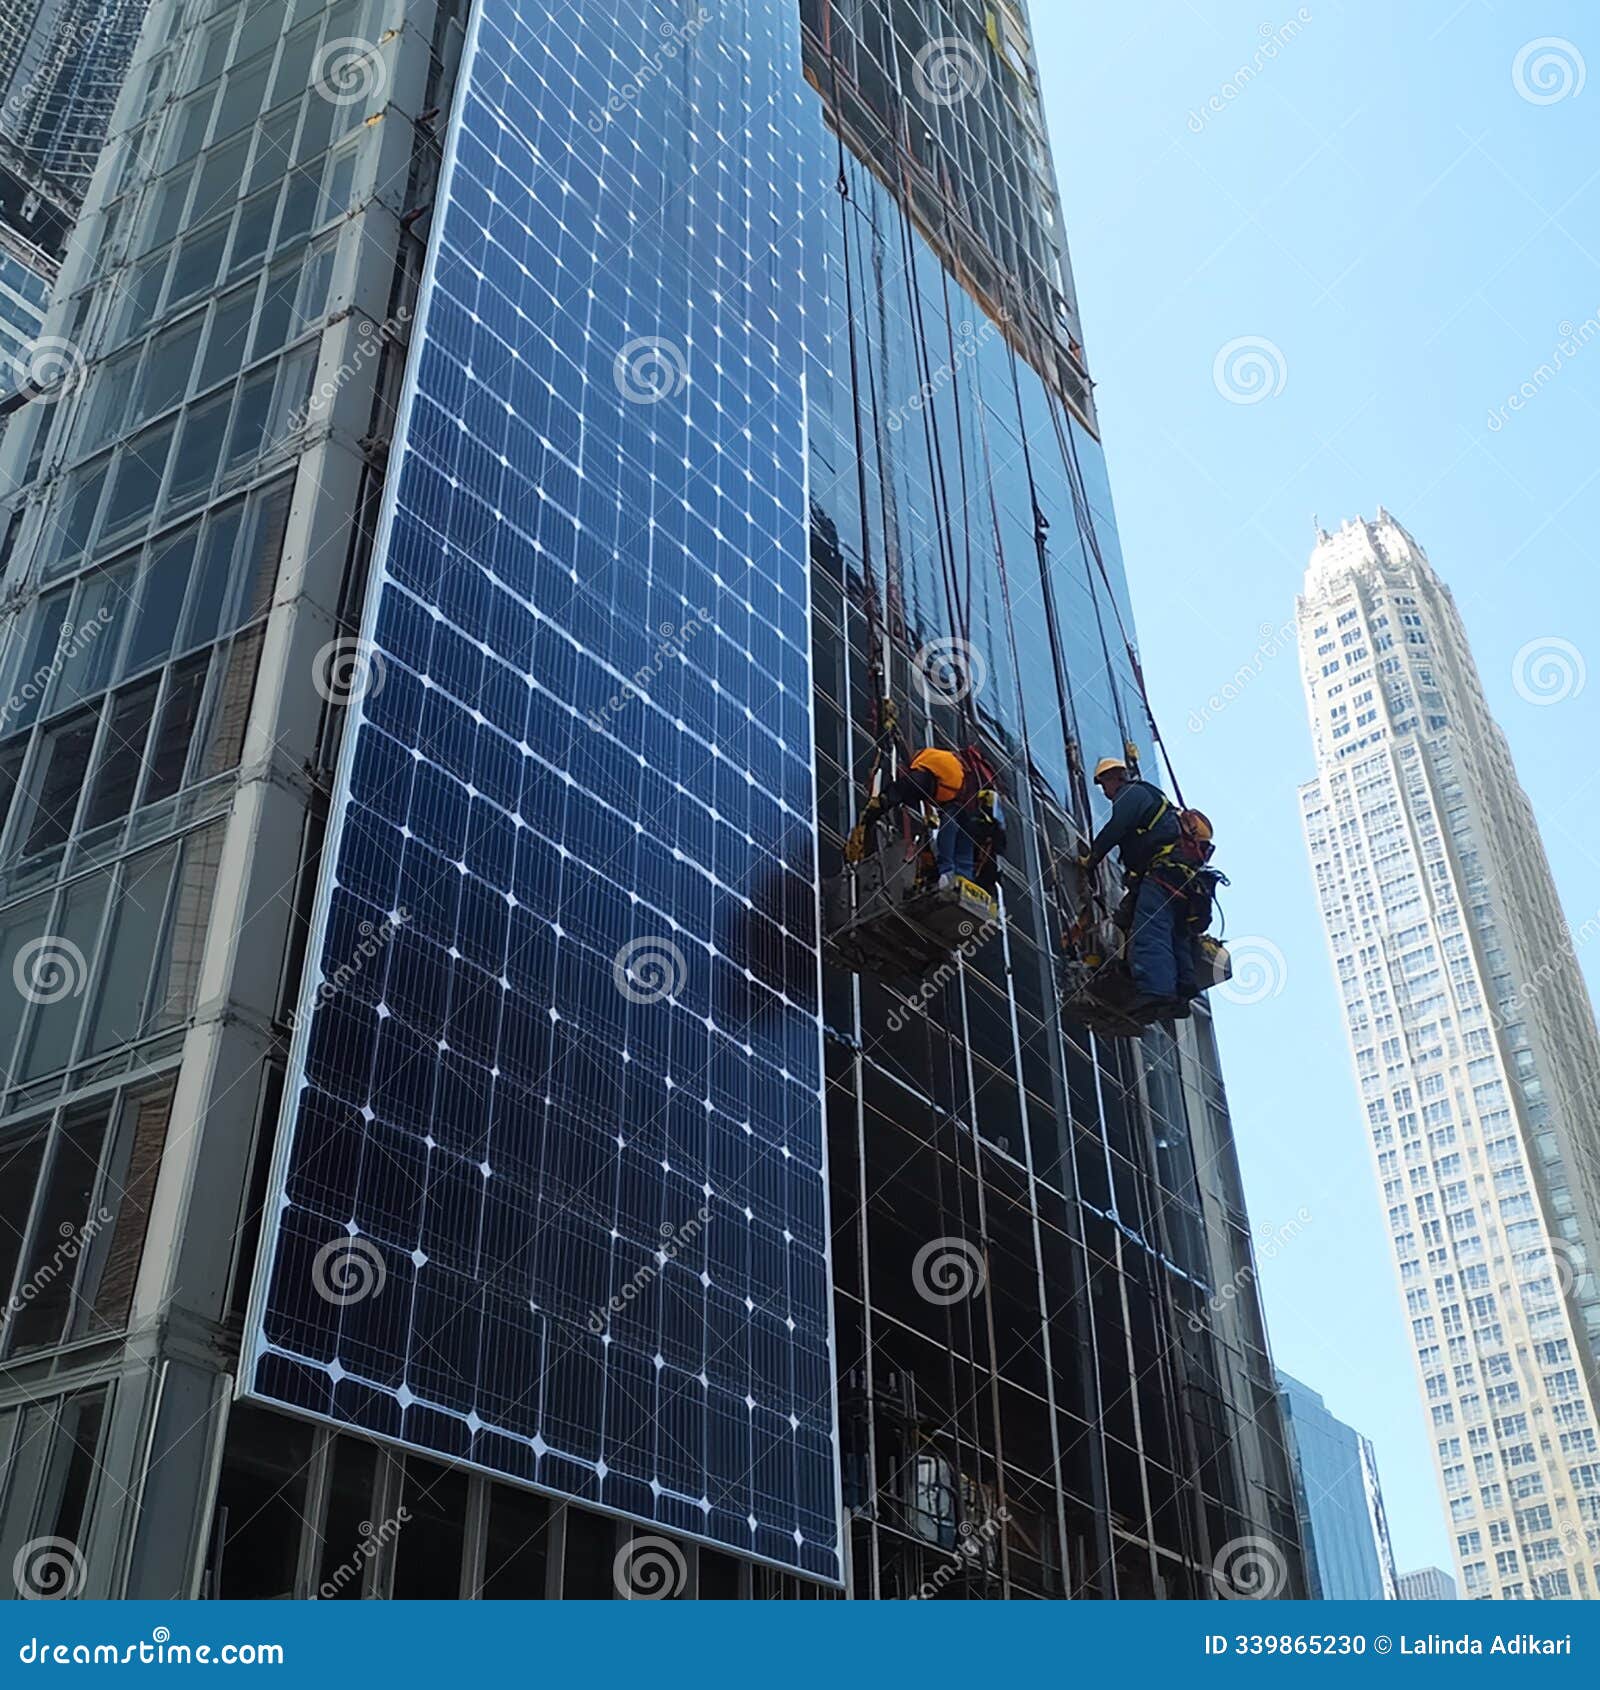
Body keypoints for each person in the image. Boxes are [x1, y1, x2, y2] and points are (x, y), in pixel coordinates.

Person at [1079, 755, 1196, 1014]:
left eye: (1103, 784)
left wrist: (1092, 857)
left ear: (1114, 777)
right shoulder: (1151, 798)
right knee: (1173, 933)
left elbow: (1116, 828)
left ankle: (1156, 990)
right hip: (1179, 878)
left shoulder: (1129, 794)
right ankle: (1182, 993)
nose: (1104, 792)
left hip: (1162, 874)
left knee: (1149, 930)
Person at [846, 746, 989, 888]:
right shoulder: (936, 760)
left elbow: (900, 790)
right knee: (964, 842)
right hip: (970, 800)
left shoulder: (921, 774)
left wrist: (874, 811)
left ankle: (947, 874)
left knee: (949, 830)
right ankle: (965, 880)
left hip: (958, 798)